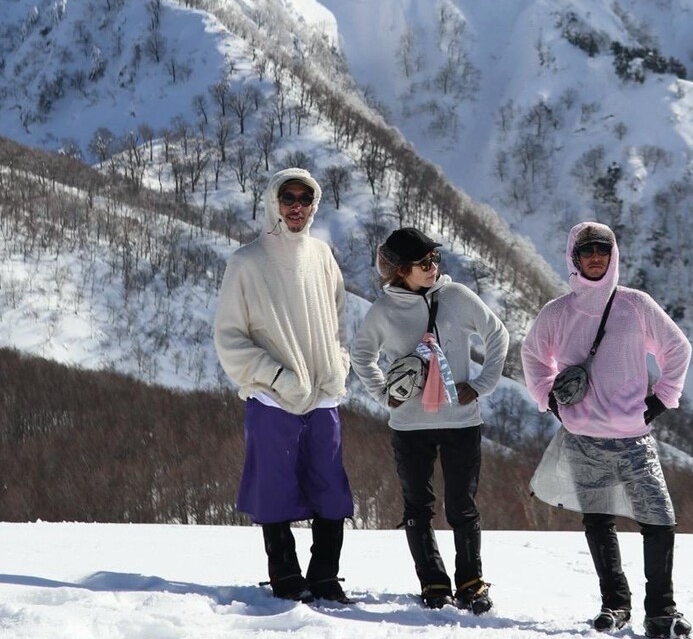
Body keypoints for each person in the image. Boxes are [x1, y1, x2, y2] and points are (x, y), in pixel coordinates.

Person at [520, 221, 693, 639]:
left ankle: (661, 611)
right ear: (573, 258)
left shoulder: (635, 305)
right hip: (584, 438)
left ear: (613, 255)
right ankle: (615, 604)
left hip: (634, 437)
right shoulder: (558, 312)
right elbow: (532, 354)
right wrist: (550, 400)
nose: (595, 256)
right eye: (587, 250)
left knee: (659, 521)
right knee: (599, 521)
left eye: (603, 248)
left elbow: (678, 349)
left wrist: (661, 400)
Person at [214, 168, 355, 604]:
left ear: (314, 205)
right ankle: (286, 576)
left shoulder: (321, 254)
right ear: (273, 201)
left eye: (305, 199)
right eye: (288, 197)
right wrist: (277, 378)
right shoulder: (246, 262)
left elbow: (340, 319)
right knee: (274, 489)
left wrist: (339, 365)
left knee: (331, 488)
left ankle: (325, 576)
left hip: (324, 394)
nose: (296, 206)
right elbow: (229, 337)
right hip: (272, 398)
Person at [351, 227, 510, 612]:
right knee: (418, 508)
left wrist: (483, 384)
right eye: (423, 262)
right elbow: (361, 354)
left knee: (462, 506)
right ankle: (434, 585)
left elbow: (497, 334)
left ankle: (471, 584)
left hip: (461, 421)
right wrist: (384, 396)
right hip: (410, 426)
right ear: (401, 270)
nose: (433, 266)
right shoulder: (384, 311)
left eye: (436, 258)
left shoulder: (456, 296)